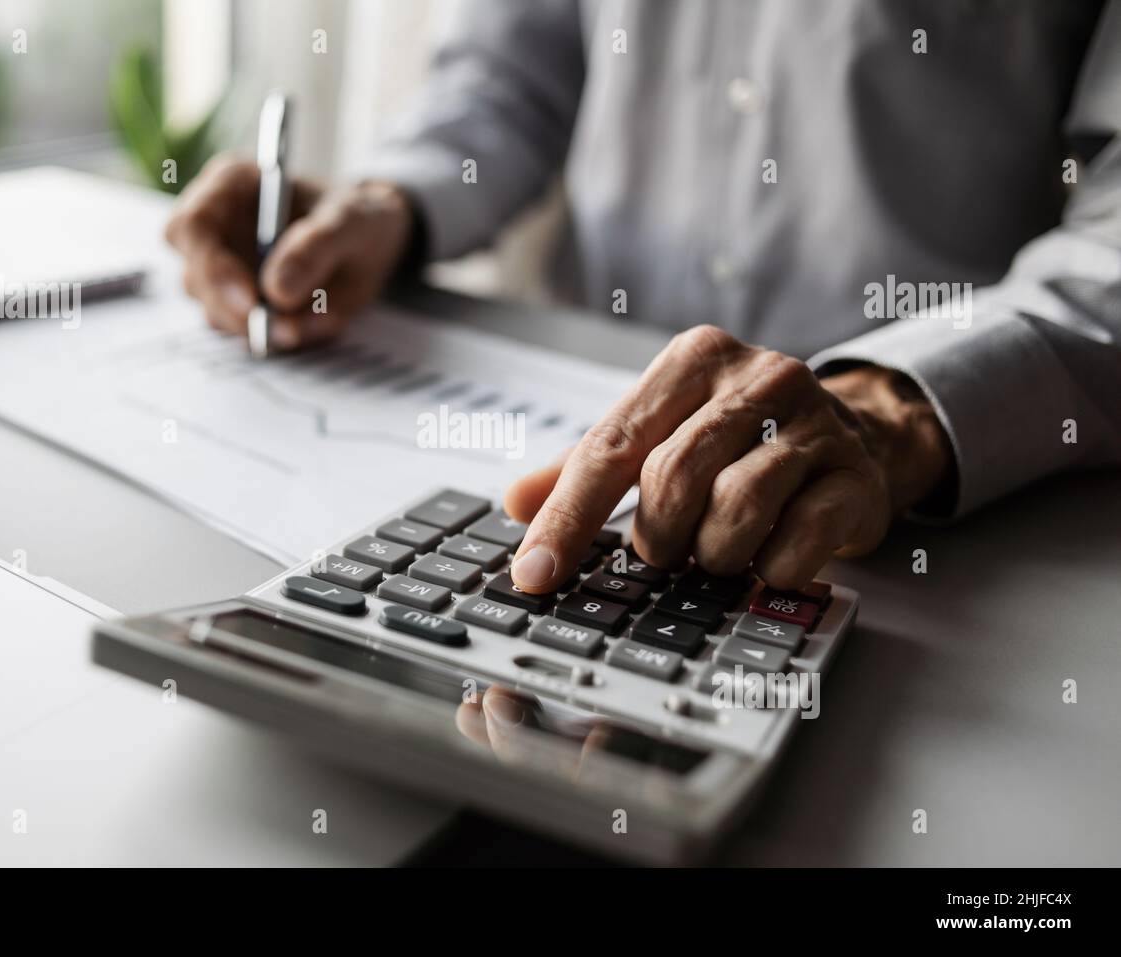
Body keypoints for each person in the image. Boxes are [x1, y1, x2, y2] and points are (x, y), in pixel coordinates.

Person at [165, 0, 1121, 594]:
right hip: (573, 427)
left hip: (937, 521)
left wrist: (896, 406)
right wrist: (390, 204)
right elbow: (510, 75)